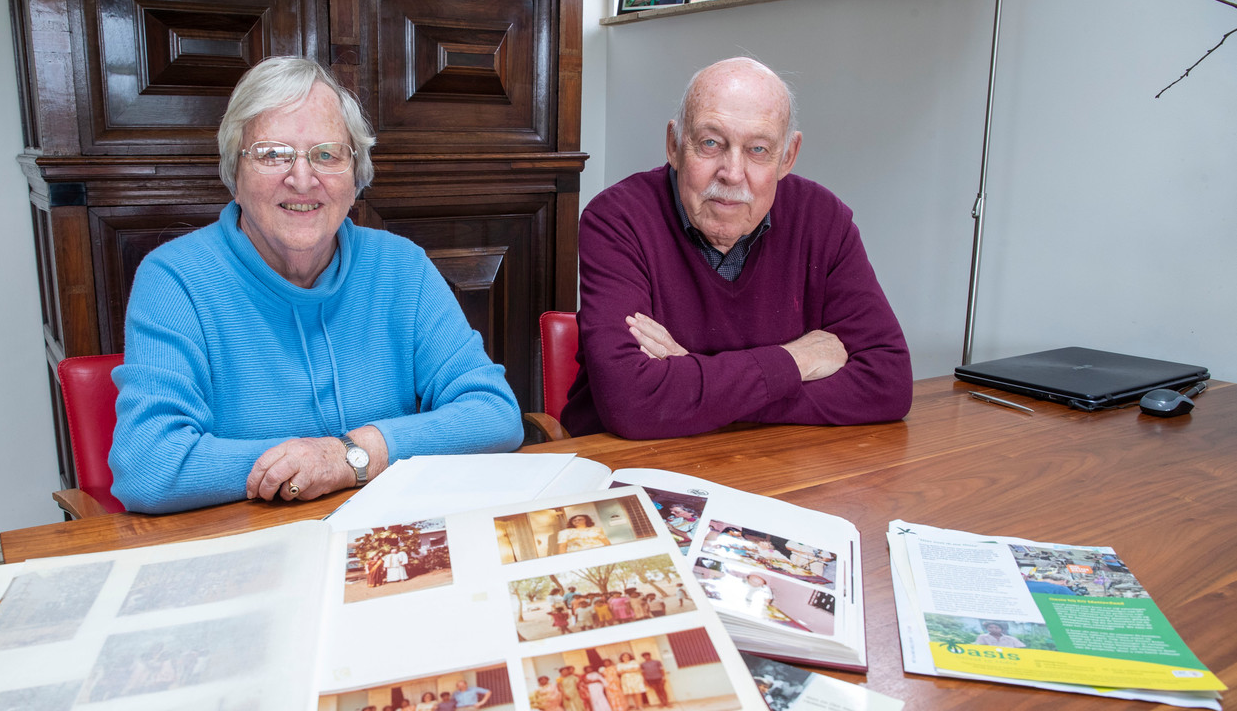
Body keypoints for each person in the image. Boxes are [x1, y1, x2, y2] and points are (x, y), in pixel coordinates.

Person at [109, 55, 522, 513]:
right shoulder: (174, 279)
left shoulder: (401, 265)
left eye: (327, 154)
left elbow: (494, 413)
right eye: (272, 154)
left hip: (391, 532)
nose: (302, 179)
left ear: (355, 178)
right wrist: (305, 466)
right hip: (254, 541)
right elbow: (148, 465)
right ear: (234, 176)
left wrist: (351, 455)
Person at [560, 57, 912, 440]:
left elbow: (888, 383)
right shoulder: (617, 218)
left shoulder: (823, 219)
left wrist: (695, 383)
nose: (732, 173)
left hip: (772, 462)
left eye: (758, 149)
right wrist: (796, 360)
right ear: (674, 145)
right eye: (710, 143)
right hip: (626, 463)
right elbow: (632, 402)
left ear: (787, 156)